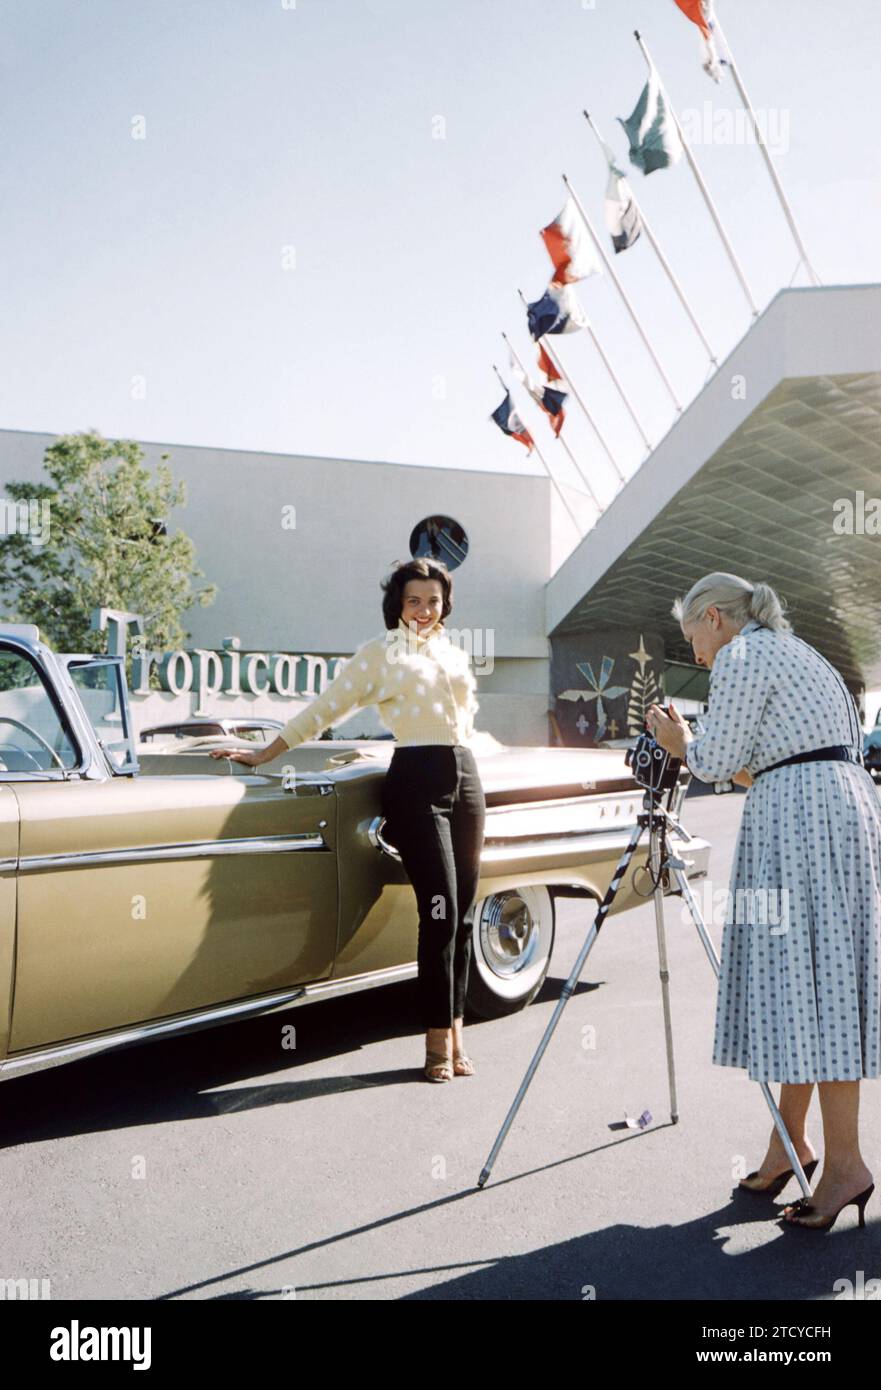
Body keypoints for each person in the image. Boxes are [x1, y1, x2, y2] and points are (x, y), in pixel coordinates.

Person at [647, 572, 879, 1230]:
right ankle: (790, 1144)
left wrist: (676, 742)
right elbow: (771, 757)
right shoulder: (799, 651)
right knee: (809, 983)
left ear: (714, 618)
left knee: (817, 989)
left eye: (693, 638)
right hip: (840, 807)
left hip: (799, 820)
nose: (695, 655)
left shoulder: (742, 655)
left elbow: (716, 762)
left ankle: (845, 1167)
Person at [210, 558, 486, 1084]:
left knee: (466, 914)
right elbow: (326, 708)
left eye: (432, 600)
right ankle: (433, 1047)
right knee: (442, 912)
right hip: (416, 780)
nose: (424, 610)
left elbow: (467, 723)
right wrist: (266, 752)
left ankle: (456, 1035)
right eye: (413, 601)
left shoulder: (453, 651)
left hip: (466, 777)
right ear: (397, 605)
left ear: (444, 603)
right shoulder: (380, 655)